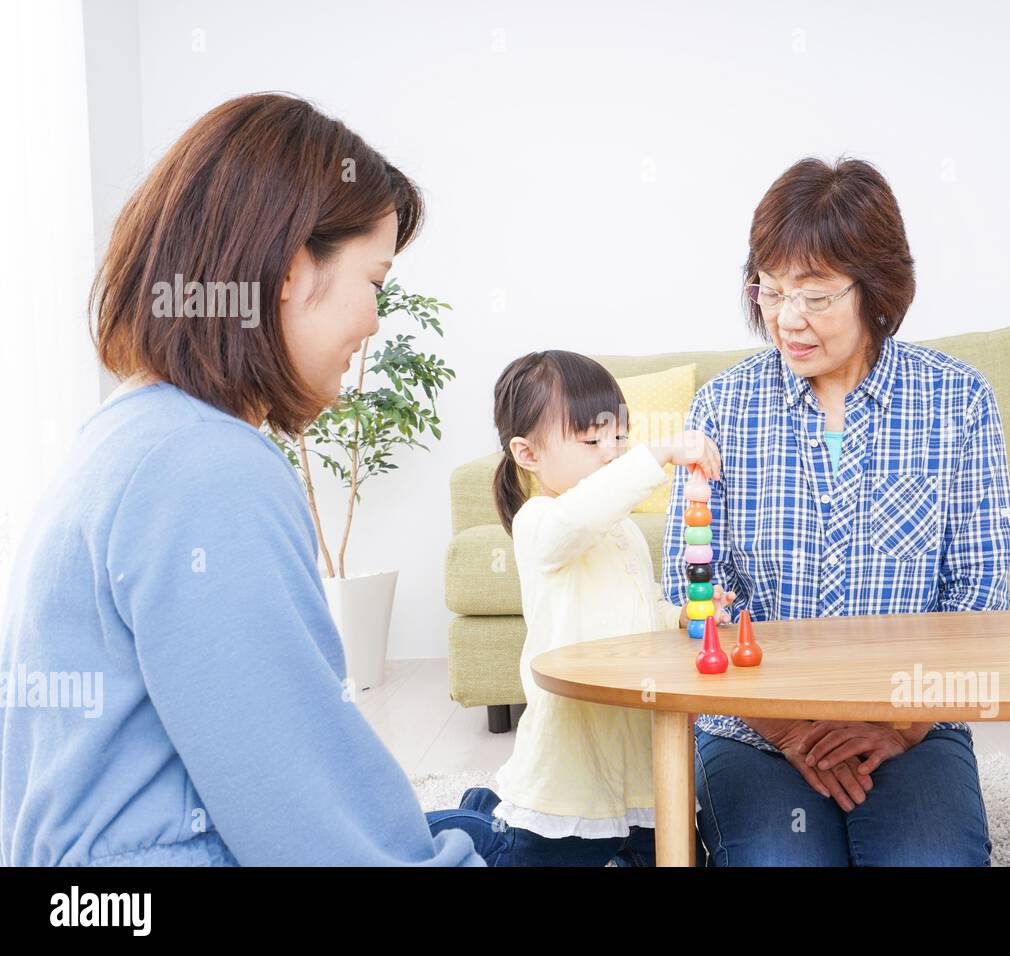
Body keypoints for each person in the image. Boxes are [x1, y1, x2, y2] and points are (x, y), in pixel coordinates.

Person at [0, 93, 480, 866]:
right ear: (291, 271)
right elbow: (305, 809)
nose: (374, 321)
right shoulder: (206, 468)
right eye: (375, 282)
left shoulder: (129, 435)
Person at [662, 156, 1010, 866]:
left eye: (816, 296)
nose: (788, 319)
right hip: (752, 728)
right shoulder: (724, 407)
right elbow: (694, 588)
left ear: (876, 290)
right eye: (771, 290)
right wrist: (791, 731)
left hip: (911, 721)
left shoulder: (958, 401)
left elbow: (978, 596)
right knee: (780, 860)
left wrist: (898, 725)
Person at [424, 350, 732, 865]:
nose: (611, 452)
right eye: (592, 440)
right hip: (571, 768)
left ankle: (497, 811)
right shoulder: (541, 524)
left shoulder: (624, 530)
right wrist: (655, 454)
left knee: (678, 853)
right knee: (522, 856)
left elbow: (643, 606)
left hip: (640, 760)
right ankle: (476, 820)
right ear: (527, 454)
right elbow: (580, 517)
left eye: (619, 436)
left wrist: (678, 616)